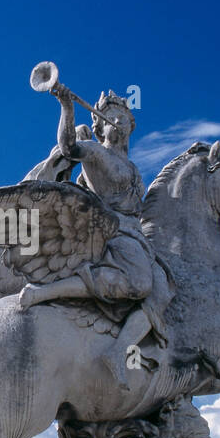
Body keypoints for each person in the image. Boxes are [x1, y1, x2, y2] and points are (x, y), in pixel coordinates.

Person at [19, 86, 173, 390]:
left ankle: (122, 349)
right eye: (112, 116)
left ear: (130, 126)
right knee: (140, 283)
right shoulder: (94, 150)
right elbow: (68, 147)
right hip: (112, 233)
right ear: (101, 125)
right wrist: (66, 106)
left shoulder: (132, 166)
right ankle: (41, 294)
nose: (118, 121)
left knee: (163, 287)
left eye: (124, 118)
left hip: (136, 236)